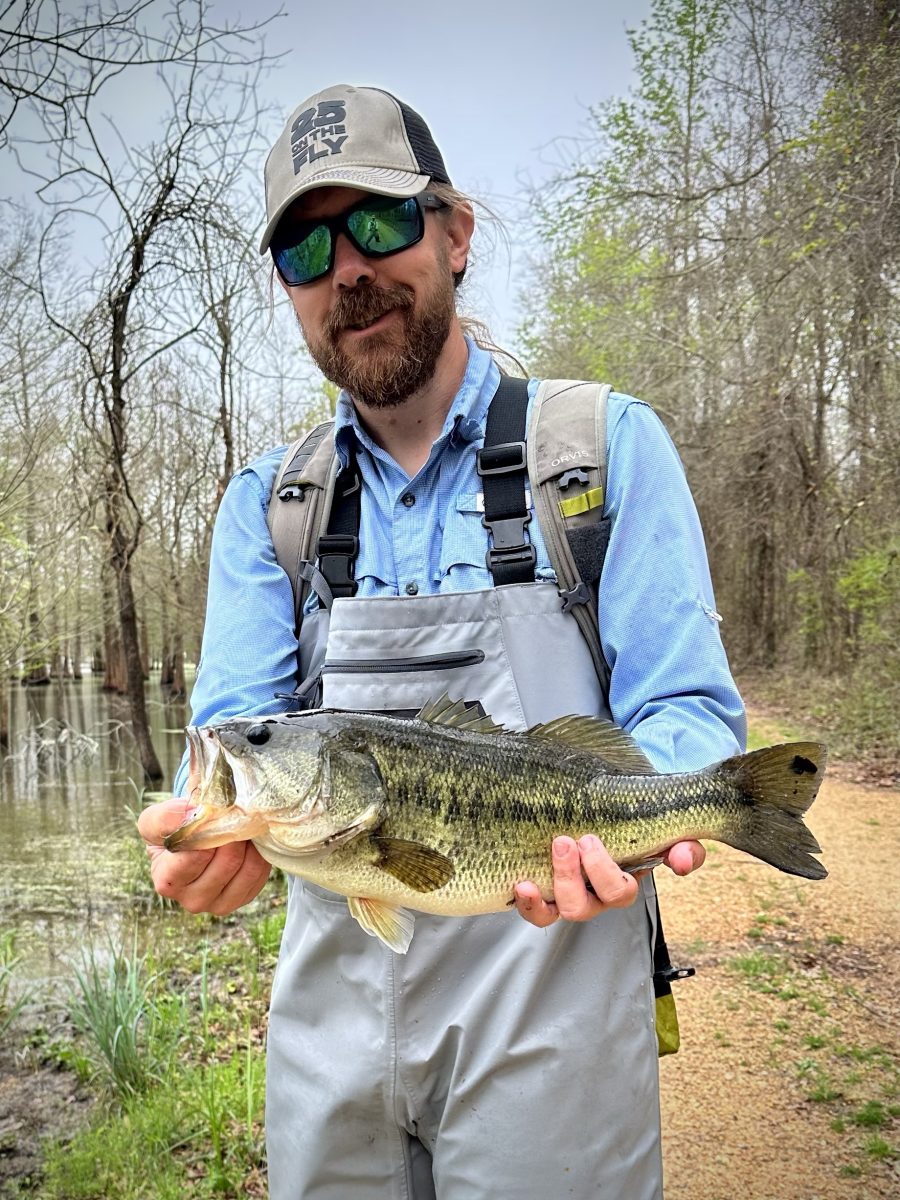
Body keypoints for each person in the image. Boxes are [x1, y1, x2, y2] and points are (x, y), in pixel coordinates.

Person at [138, 84, 746, 1198]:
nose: (347, 272)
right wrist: (196, 833)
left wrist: (625, 819)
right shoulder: (265, 510)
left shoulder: (601, 453)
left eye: (375, 222)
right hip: (333, 1045)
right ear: (288, 289)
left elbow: (689, 712)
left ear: (454, 232)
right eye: (305, 250)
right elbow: (227, 740)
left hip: (557, 1007)